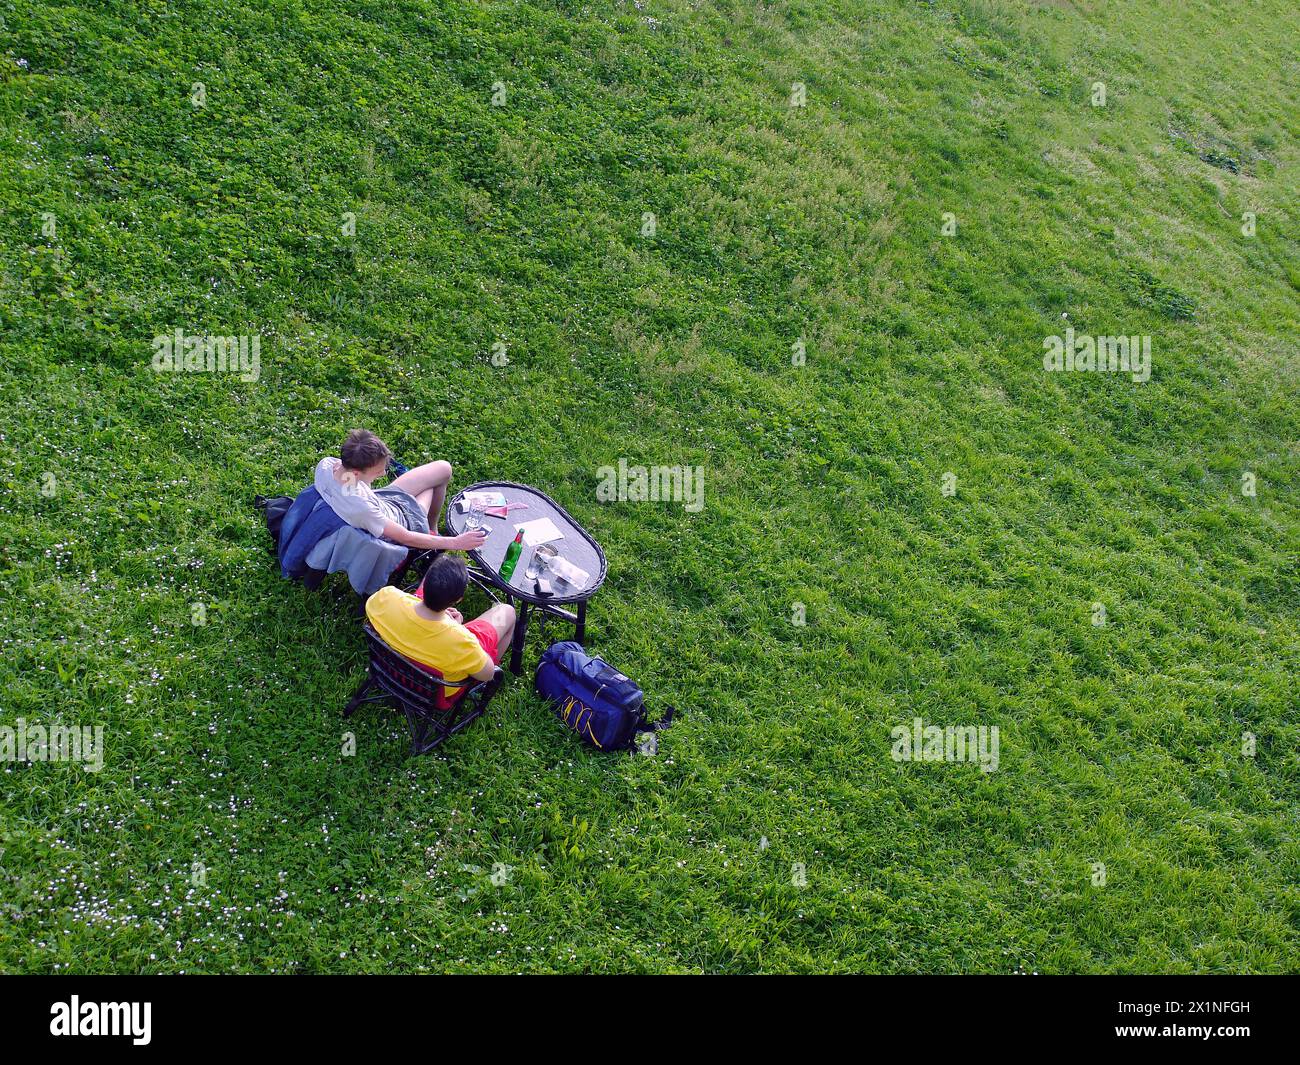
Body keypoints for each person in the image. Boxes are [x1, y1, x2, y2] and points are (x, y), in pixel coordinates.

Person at [366, 554, 516, 698]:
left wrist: (446, 621)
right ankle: (479, 688)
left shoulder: (386, 596)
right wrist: (455, 628)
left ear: (425, 584)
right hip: (434, 693)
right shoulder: (464, 642)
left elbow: (373, 607)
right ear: (458, 599)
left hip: (387, 666)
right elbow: (488, 674)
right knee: (507, 611)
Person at [314, 429, 486, 553]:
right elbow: (406, 537)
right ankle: (431, 531)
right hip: (404, 520)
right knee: (432, 485)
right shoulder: (363, 510)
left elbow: (348, 483)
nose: (383, 473)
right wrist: (456, 543)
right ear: (357, 472)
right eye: (377, 471)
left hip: (382, 500)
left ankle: (432, 529)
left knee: (443, 468)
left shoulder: (327, 466)